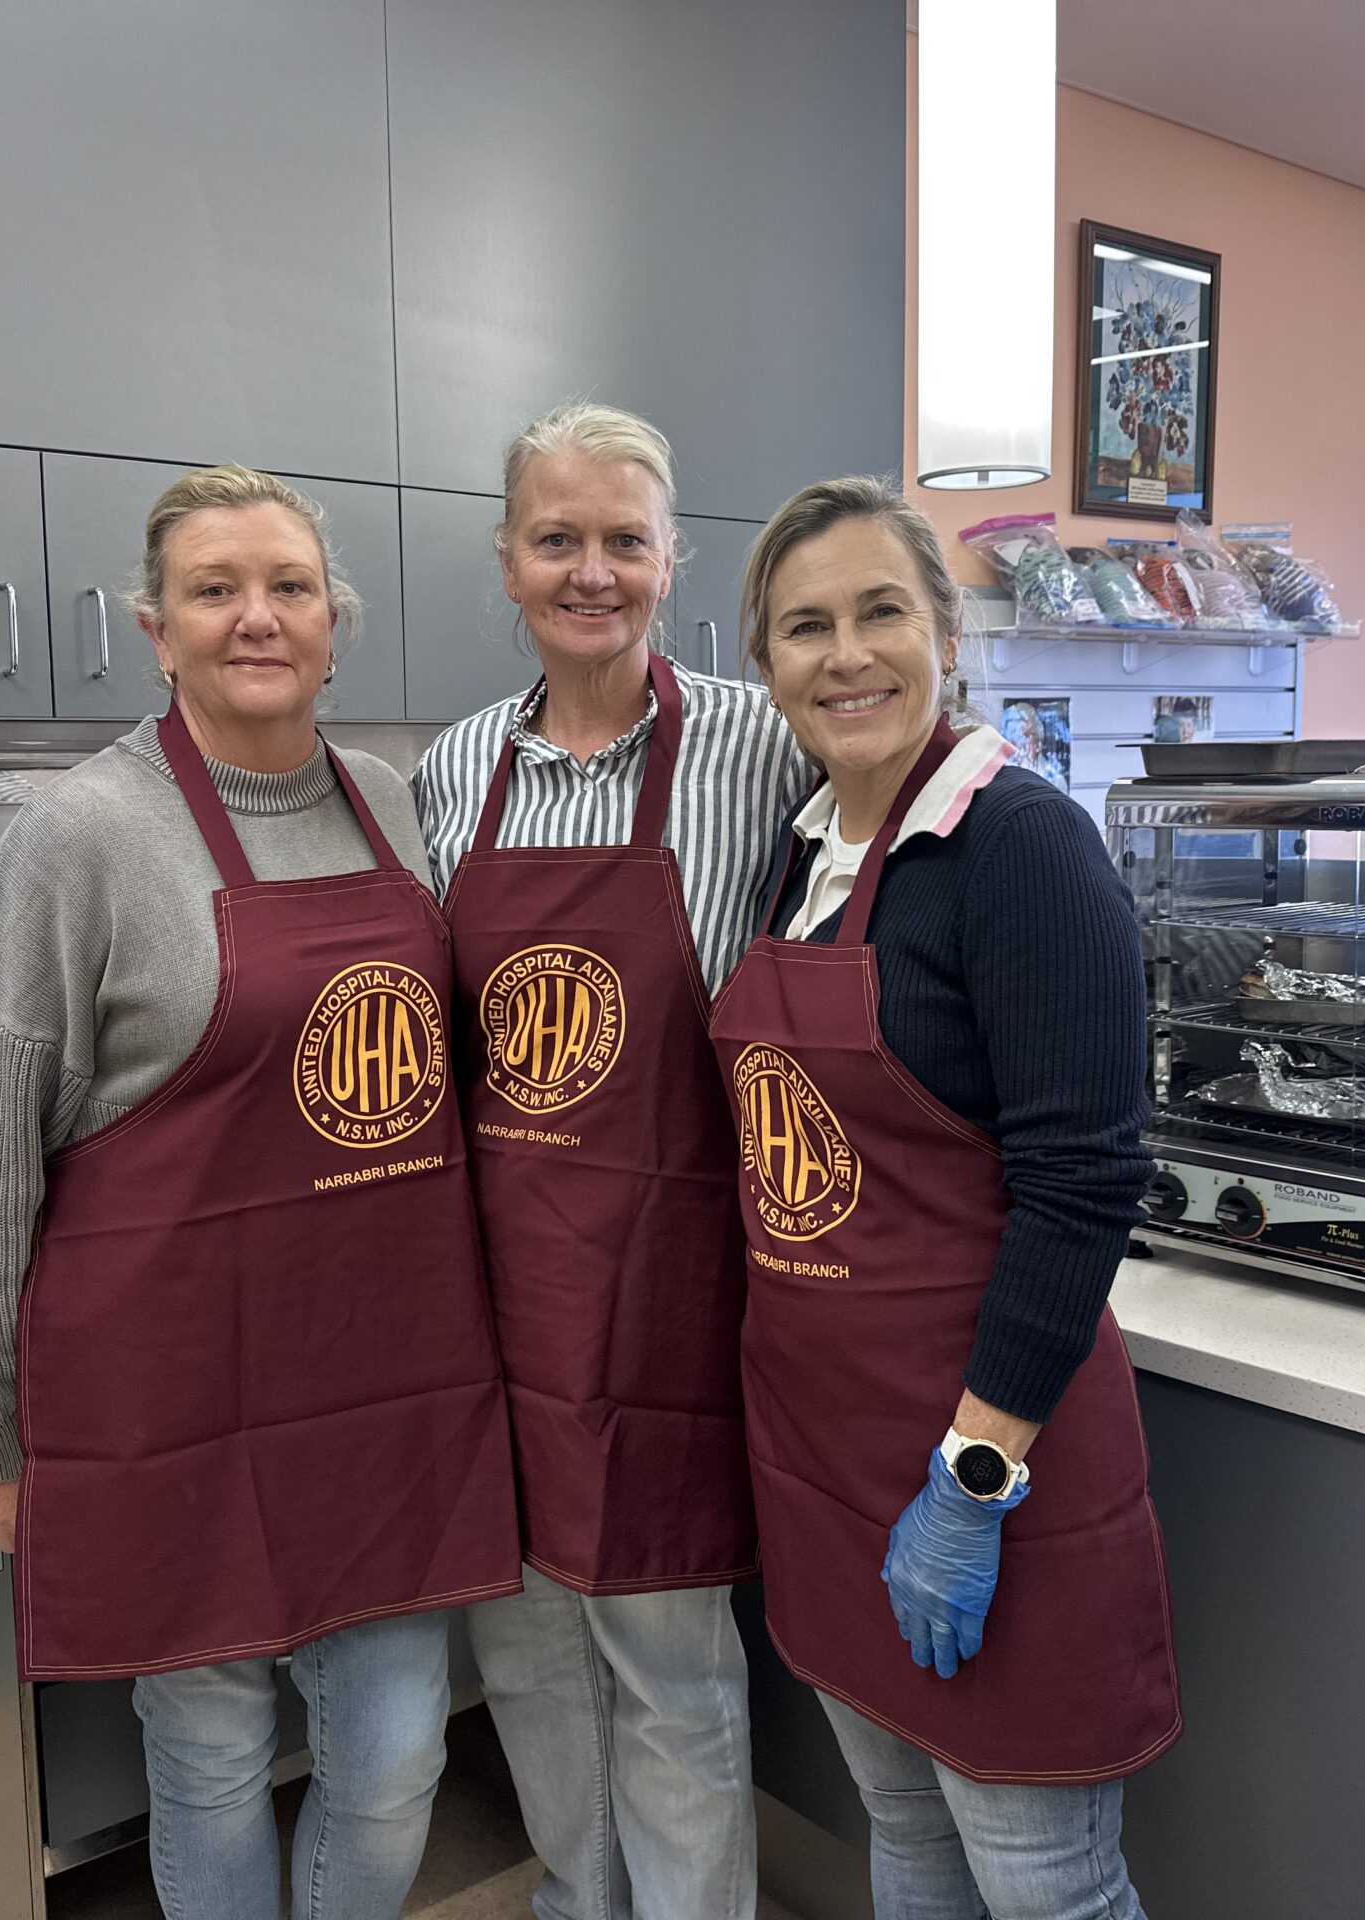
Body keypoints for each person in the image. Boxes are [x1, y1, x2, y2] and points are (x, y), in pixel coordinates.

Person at [0, 465, 520, 1920]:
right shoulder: (82, 836)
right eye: (215, 590)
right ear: (155, 627)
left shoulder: (388, 803)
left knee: (390, 1760)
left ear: (333, 622)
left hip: (380, 1392)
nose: (258, 617)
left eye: (289, 588)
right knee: (209, 1757)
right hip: (171, 1402)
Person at [710, 476, 1180, 1920]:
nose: (844, 655)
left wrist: (971, 1482)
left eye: (878, 614)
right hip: (828, 1461)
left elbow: (1083, 1187)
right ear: (767, 663)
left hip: (981, 1468)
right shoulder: (799, 856)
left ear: (946, 637)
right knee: (904, 1837)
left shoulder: (1020, 849)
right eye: (805, 627)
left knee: (1047, 1887)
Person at [413, 402, 813, 1920]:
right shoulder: (457, 771)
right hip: (498, 1302)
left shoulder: (760, 743)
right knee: (523, 1657)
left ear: (673, 561)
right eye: (558, 539)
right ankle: (581, 1900)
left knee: (673, 1670)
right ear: (507, 563)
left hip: (672, 1300)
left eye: (624, 542)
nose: (593, 572)